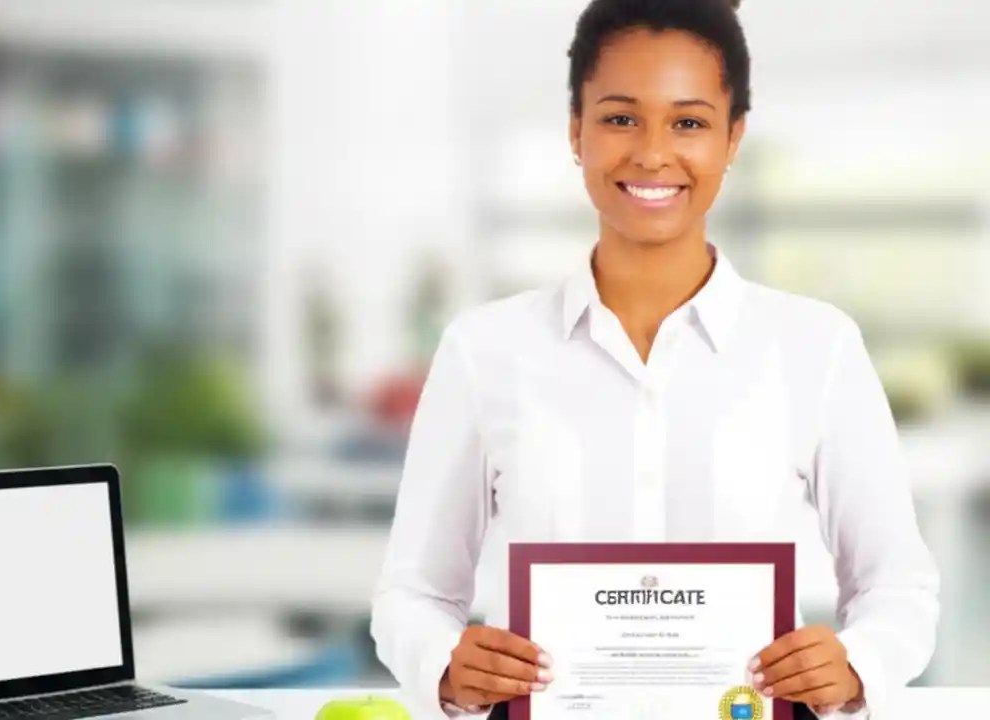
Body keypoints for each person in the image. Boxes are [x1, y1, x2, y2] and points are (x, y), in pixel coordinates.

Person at [369, 0, 940, 718]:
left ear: (733, 139)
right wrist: (443, 662)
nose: (651, 152)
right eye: (619, 117)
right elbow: (411, 594)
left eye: (690, 122)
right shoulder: (484, 350)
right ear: (575, 131)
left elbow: (901, 589)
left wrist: (858, 663)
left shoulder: (817, 347)